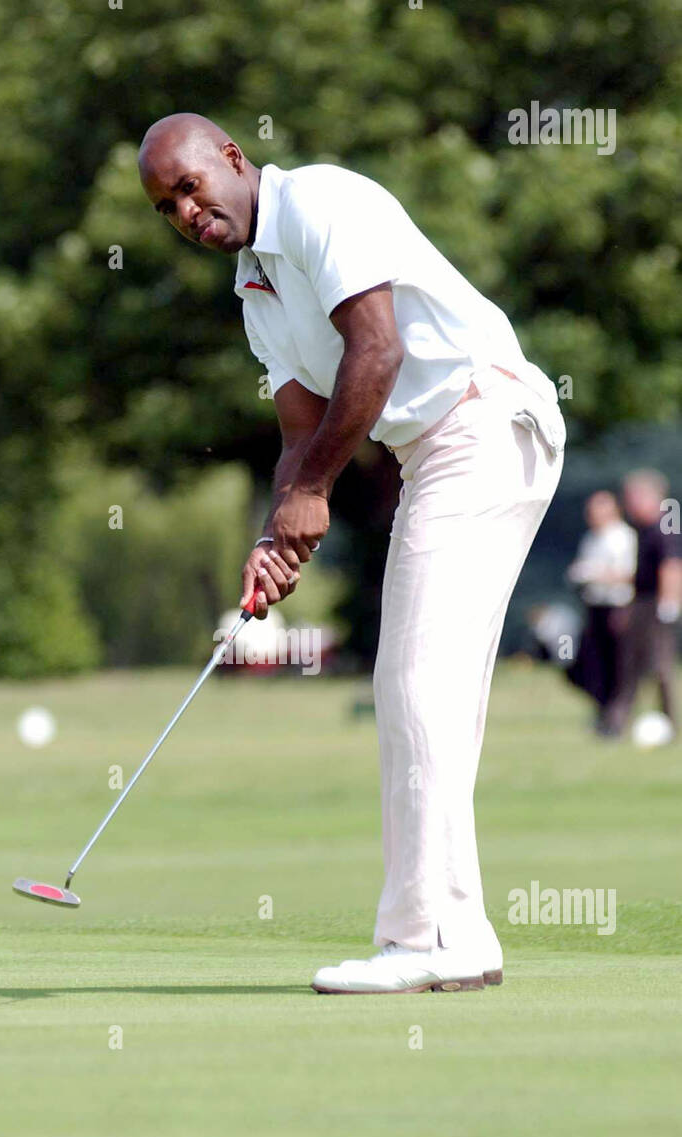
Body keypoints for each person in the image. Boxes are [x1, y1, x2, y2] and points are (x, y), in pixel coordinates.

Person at [138, 113, 565, 994]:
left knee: (410, 683)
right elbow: (301, 430)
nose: (185, 212)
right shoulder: (254, 287)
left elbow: (377, 351)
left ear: (232, 157)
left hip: (487, 419)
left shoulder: (324, 201)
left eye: (189, 186)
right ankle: (462, 935)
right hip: (443, 447)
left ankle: (421, 942)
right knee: (432, 694)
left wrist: (312, 494)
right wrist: (275, 535)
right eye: (165, 207)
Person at [602, 470, 682, 738]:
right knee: (629, 665)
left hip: (655, 604)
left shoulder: (665, 526)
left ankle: (668, 722)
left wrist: (669, 604)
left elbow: (671, 567)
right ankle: (616, 721)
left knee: (660, 666)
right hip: (640, 602)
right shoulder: (641, 530)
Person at [565, 491, 636, 724]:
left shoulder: (623, 537)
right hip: (593, 605)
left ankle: (615, 718)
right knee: (589, 665)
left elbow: (629, 575)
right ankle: (602, 711)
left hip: (617, 606)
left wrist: (595, 575)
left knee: (617, 667)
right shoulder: (591, 538)